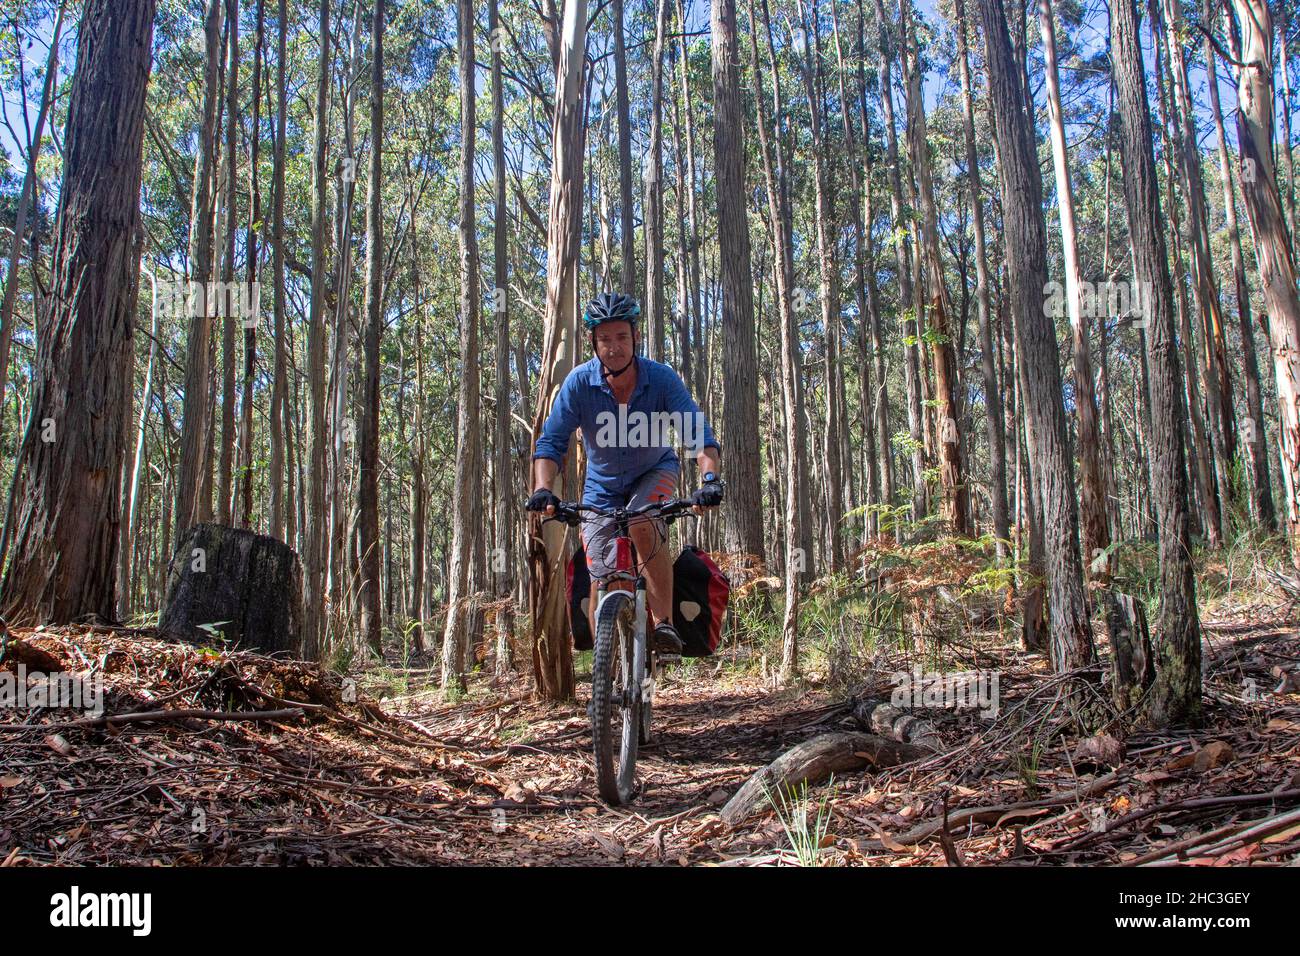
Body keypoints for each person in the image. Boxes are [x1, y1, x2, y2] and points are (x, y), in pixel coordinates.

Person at [526, 291, 723, 657]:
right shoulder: (579, 384)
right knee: (601, 572)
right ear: (593, 342)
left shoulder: (661, 380)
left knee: (643, 522)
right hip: (601, 488)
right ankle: (607, 660)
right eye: (605, 339)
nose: (613, 347)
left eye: (621, 337)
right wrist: (543, 488)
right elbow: (551, 443)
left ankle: (664, 625)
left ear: (635, 337)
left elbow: (699, 436)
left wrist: (709, 480)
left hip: (655, 472)